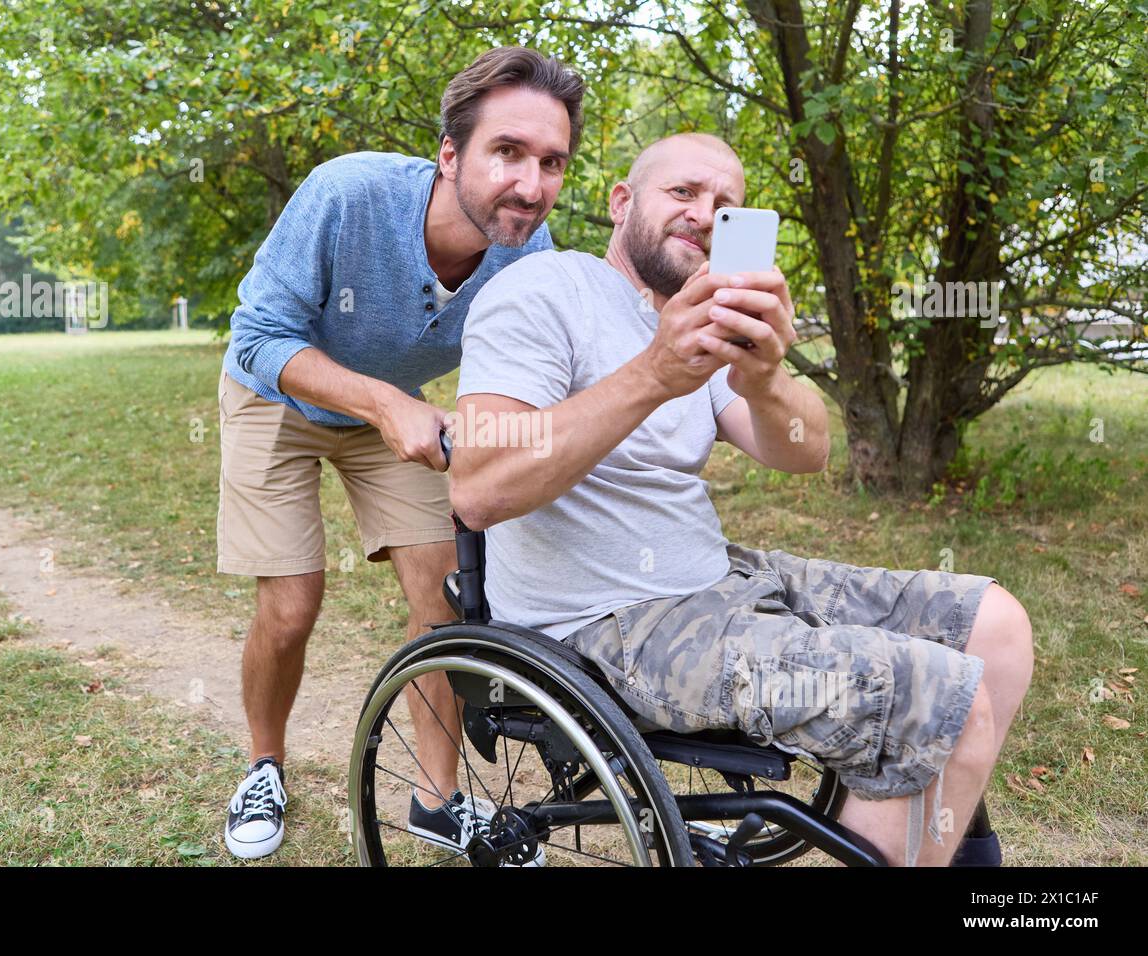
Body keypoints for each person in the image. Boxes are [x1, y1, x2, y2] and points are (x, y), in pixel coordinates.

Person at [448, 132, 1034, 866]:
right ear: (622, 203)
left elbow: (806, 449)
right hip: (604, 626)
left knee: (997, 627)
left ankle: (918, 841)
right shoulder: (544, 292)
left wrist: (763, 381)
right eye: (684, 193)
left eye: (727, 206)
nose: (705, 213)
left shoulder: (707, 319)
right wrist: (656, 373)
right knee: (933, 696)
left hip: (718, 584)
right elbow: (477, 488)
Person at [217, 46, 584, 861]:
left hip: (400, 416)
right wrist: (385, 402)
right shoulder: (349, 193)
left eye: (552, 161)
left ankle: (436, 800)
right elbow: (255, 338)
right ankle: (263, 765)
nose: (530, 183)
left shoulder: (533, 252)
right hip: (277, 395)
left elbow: (558, 363)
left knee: (444, 603)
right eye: (508, 152)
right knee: (291, 604)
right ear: (450, 155)